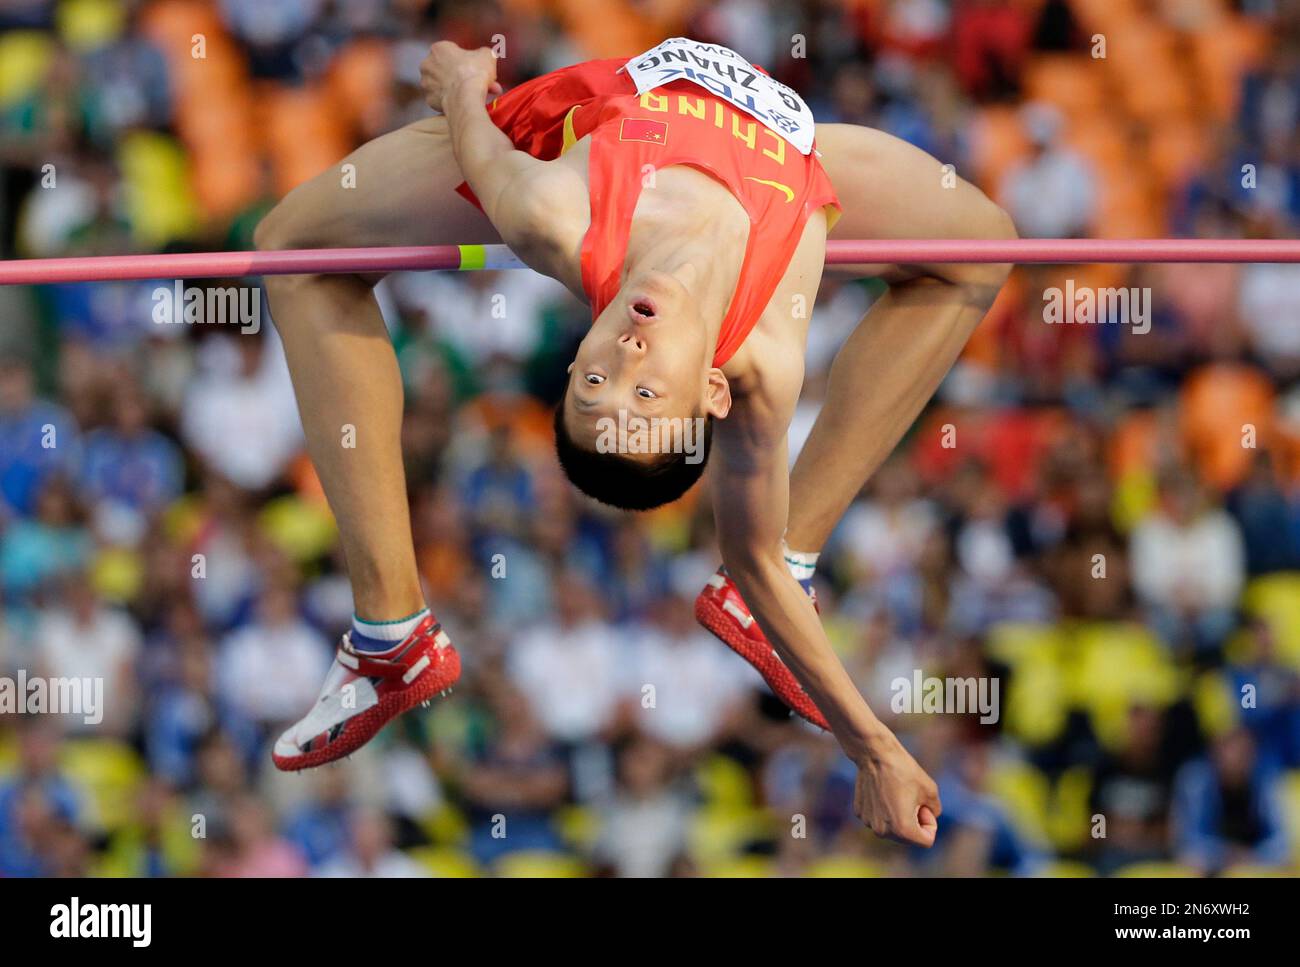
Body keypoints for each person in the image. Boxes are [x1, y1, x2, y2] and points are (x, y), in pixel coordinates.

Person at [256, 38, 1016, 847]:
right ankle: (791, 574)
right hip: (793, 159)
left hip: (566, 126)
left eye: (593, 383)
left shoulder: (551, 214)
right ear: (713, 390)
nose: (624, 359)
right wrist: (877, 747)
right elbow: (745, 548)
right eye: (647, 395)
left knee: (293, 248)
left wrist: (462, 81)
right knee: (982, 246)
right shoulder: (764, 356)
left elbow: (475, 128)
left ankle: (390, 631)